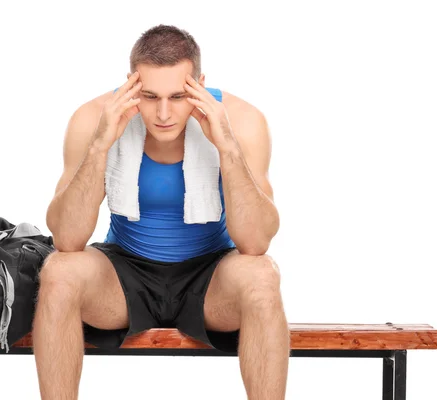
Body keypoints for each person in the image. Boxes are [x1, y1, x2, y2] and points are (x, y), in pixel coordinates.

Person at [34, 24, 289, 400]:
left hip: (210, 274)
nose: (164, 113)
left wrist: (227, 148)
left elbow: (254, 243)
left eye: (179, 96)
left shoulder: (243, 120)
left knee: (262, 277)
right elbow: (67, 239)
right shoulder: (93, 118)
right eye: (150, 96)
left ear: (200, 85)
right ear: (131, 84)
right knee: (59, 270)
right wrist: (102, 145)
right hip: (125, 273)